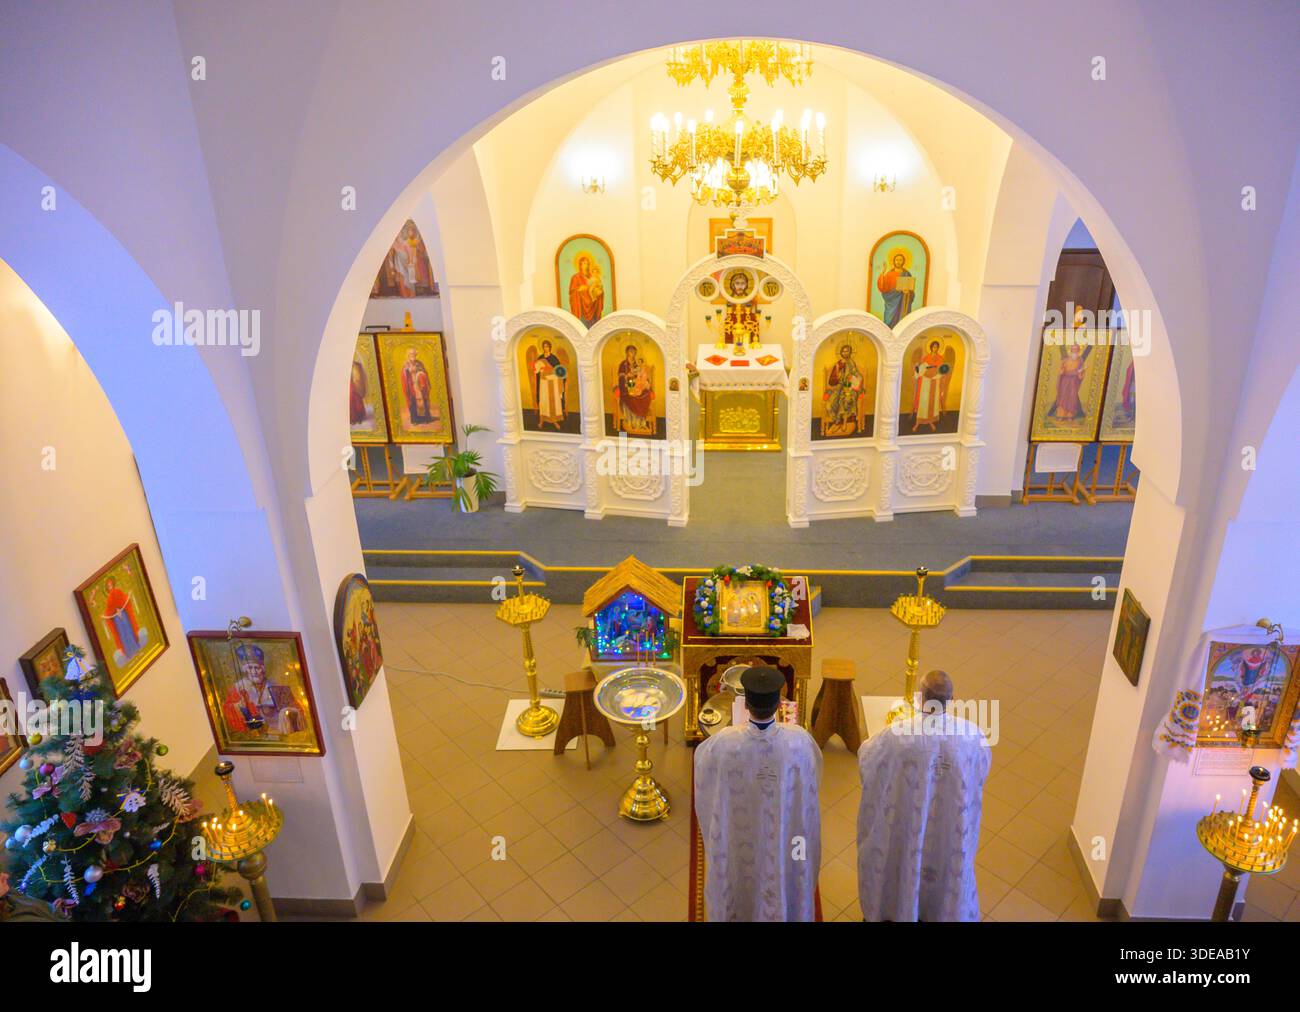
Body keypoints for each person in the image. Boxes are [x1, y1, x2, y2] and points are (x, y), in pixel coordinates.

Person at [856, 669, 990, 921]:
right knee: (946, 871)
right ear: (951, 699)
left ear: (920, 698)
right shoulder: (972, 736)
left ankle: (899, 908)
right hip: (948, 833)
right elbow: (980, 774)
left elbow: (867, 761)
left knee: (903, 862)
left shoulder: (897, 736)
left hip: (907, 827)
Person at [693, 666, 822, 921]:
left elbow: (702, 770)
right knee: (788, 865)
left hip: (739, 836)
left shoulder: (724, 743)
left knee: (738, 873)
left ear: (746, 705)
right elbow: (812, 778)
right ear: (778, 705)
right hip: (786, 839)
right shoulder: (799, 741)